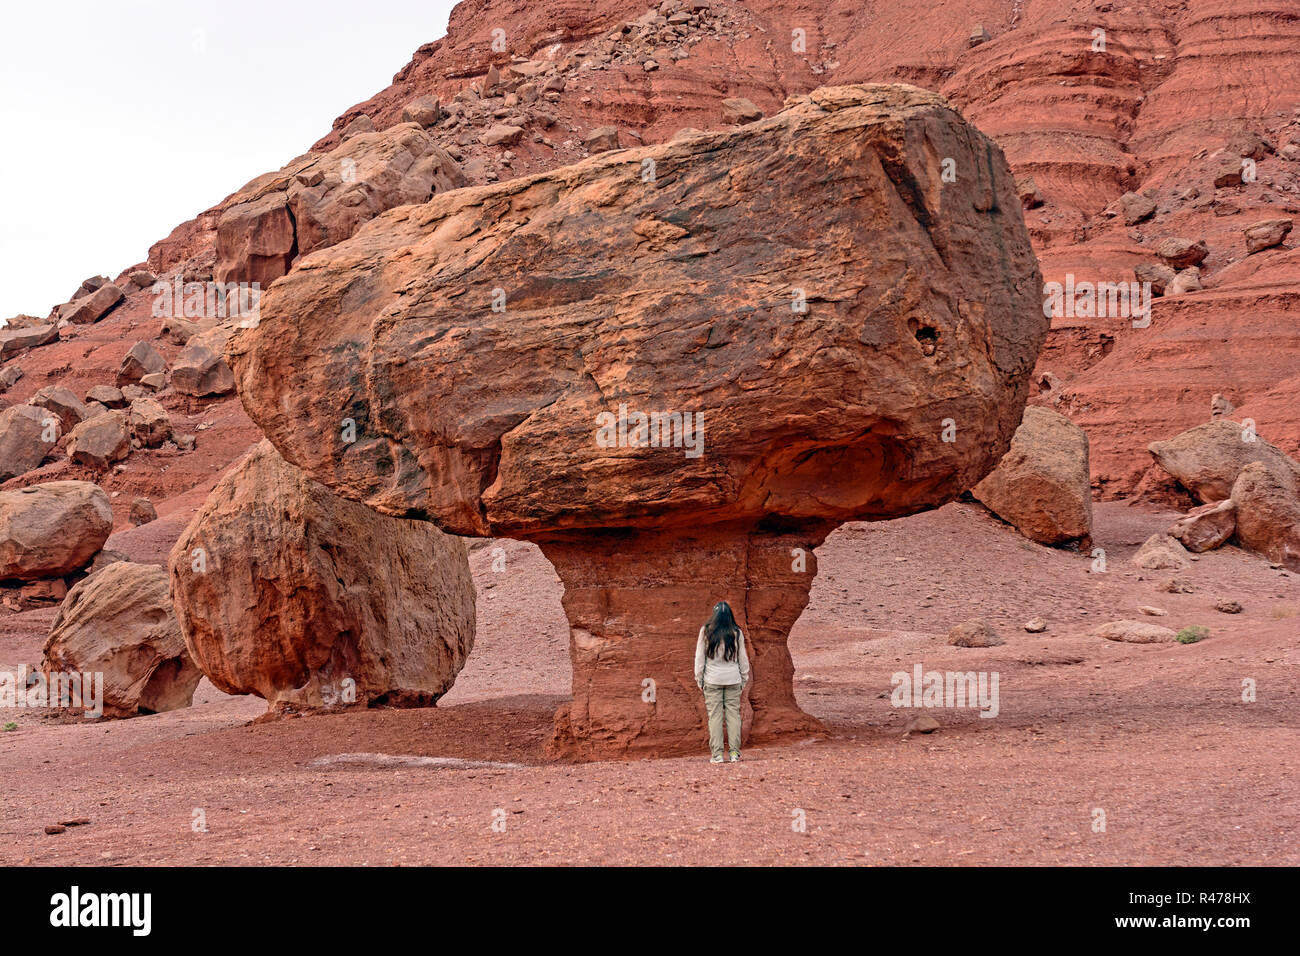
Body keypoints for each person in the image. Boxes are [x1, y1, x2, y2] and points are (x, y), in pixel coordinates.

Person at [694, 600, 750, 763]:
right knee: (734, 716)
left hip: (712, 680)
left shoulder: (706, 631)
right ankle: (734, 753)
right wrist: (744, 678)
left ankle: (717, 755)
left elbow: (700, 658)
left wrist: (700, 679)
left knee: (715, 717)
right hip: (733, 679)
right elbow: (742, 659)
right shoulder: (736, 632)